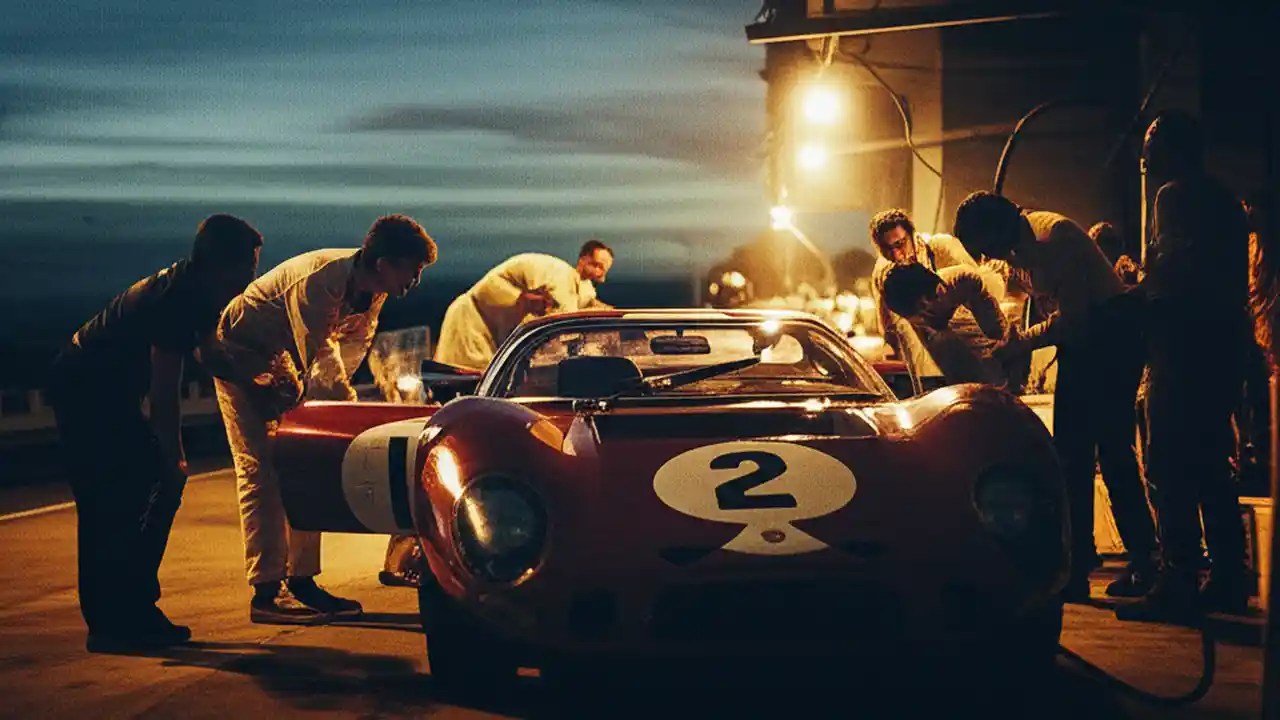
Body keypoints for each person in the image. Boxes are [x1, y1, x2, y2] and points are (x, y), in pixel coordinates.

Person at [205, 214, 436, 625]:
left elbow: (350, 354)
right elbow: (321, 355)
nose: (415, 282)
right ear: (383, 263)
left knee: (300, 466)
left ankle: (301, 581)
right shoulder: (321, 279)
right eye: (412, 270)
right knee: (261, 472)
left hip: (284, 364)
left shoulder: (373, 293)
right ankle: (266, 592)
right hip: (240, 356)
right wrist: (350, 416)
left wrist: (339, 405)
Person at [47, 214, 263, 651]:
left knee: (138, 494)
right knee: (117, 500)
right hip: (84, 388)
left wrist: (259, 381)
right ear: (224, 265)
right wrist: (173, 457)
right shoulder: (176, 298)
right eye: (249, 269)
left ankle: (132, 614)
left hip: (108, 392)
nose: (251, 279)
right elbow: (165, 391)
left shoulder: (201, 292)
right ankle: (116, 623)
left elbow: (211, 355)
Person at [952, 192, 1158, 602]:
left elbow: (1075, 321)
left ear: (996, 227)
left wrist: (1020, 345)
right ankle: (1082, 564)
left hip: (1108, 340)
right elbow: (1023, 301)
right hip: (1087, 344)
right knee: (1075, 458)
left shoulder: (1052, 238)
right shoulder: (1019, 247)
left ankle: (1139, 564)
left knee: (1105, 455)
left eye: (984, 244)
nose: (987, 255)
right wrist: (1013, 335)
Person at [1117, 112, 1253, 621]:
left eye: (1151, 147)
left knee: (1168, 464)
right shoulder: (1225, 198)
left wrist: (1132, 297)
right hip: (1224, 348)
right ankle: (1228, 578)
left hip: (1183, 347)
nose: (1145, 159)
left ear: (1170, 149)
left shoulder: (1173, 195)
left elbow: (1173, 274)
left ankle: (1177, 582)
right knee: (1213, 465)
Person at [434, 242, 614, 371]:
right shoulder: (560, 276)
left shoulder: (582, 287)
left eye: (603, 269)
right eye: (596, 265)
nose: (599, 272)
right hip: (471, 321)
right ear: (583, 260)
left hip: (495, 331)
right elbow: (564, 322)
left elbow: (590, 306)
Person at [868, 208, 980, 380]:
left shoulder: (941, 248)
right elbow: (889, 327)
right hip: (924, 371)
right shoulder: (883, 272)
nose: (896, 255)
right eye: (887, 249)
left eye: (899, 244)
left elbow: (980, 287)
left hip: (971, 354)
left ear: (912, 234)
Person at [880, 262, 1019, 389]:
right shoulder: (920, 316)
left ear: (939, 292)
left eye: (926, 316)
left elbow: (998, 334)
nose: (927, 323)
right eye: (919, 320)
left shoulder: (965, 282)